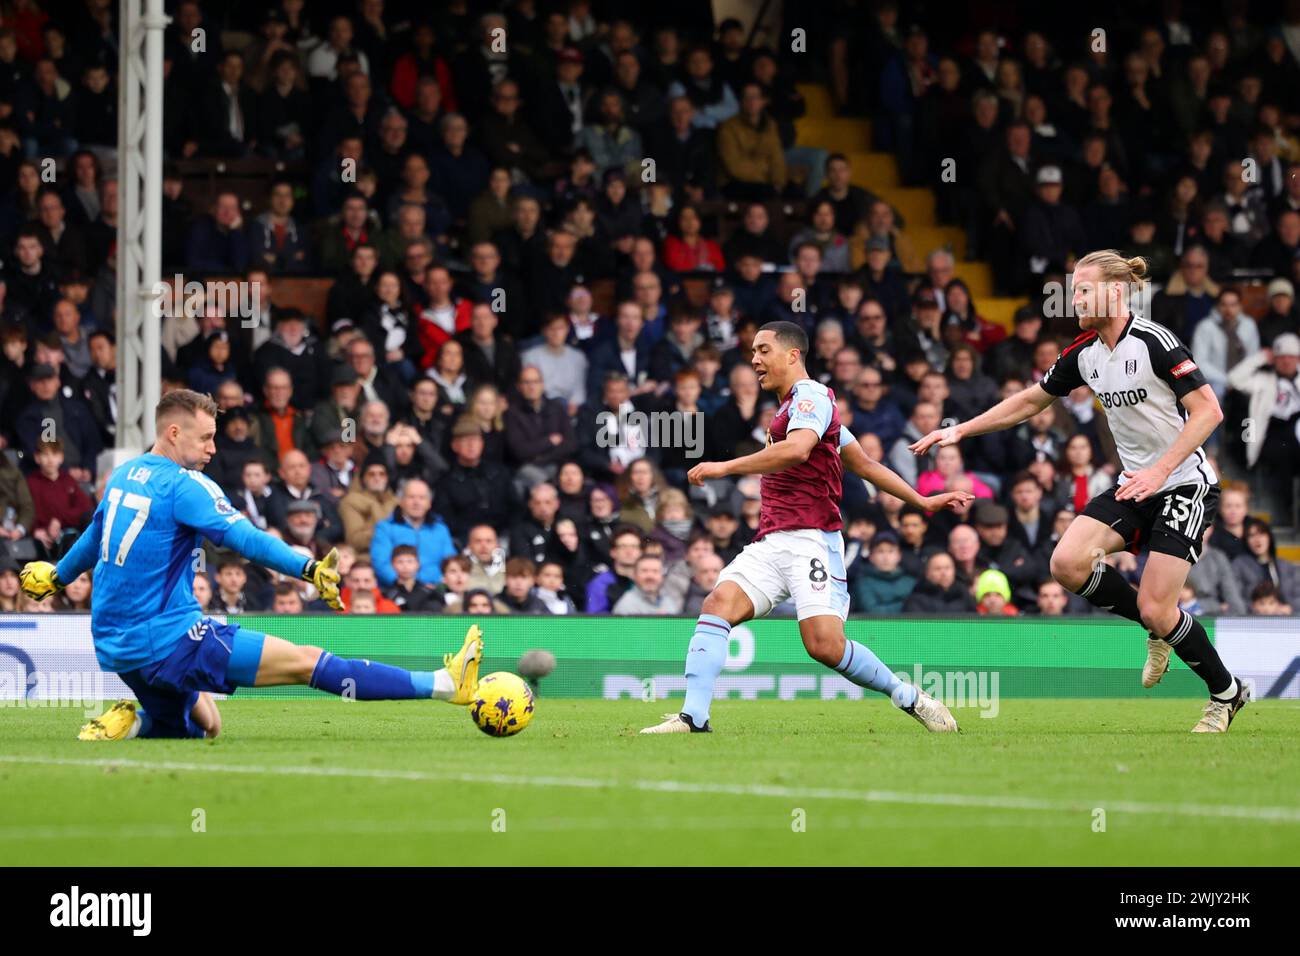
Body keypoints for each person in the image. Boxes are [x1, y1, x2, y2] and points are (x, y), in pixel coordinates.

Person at [17, 390, 484, 741]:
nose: (213, 449)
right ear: (174, 433)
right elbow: (243, 538)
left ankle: (136, 723)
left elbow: (95, 538)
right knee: (307, 663)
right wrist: (306, 567)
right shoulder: (185, 485)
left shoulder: (122, 475)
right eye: (206, 438)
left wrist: (57, 576)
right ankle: (444, 684)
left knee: (205, 726)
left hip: (117, 645)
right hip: (170, 638)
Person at [911, 250, 1248, 733]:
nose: (1076, 301)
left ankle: (1226, 693)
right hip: (1136, 485)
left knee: (1158, 606)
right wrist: (960, 431)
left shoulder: (1154, 342)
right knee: (1066, 564)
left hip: (1184, 484)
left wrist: (1159, 471)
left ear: (1115, 291)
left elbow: (1209, 412)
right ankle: (1158, 627)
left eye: (1084, 291)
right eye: (1073, 293)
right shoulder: (1084, 352)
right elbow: (1031, 400)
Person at [641, 321, 965, 736]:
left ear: (792, 355)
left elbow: (797, 451)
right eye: (753, 352)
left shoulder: (812, 398)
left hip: (811, 539)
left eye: (763, 351)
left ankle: (909, 696)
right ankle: (693, 717)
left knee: (824, 647)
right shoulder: (791, 408)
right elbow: (864, 464)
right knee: (717, 604)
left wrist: (724, 466)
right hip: (771, 540)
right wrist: (920, 499)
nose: (754, 360)